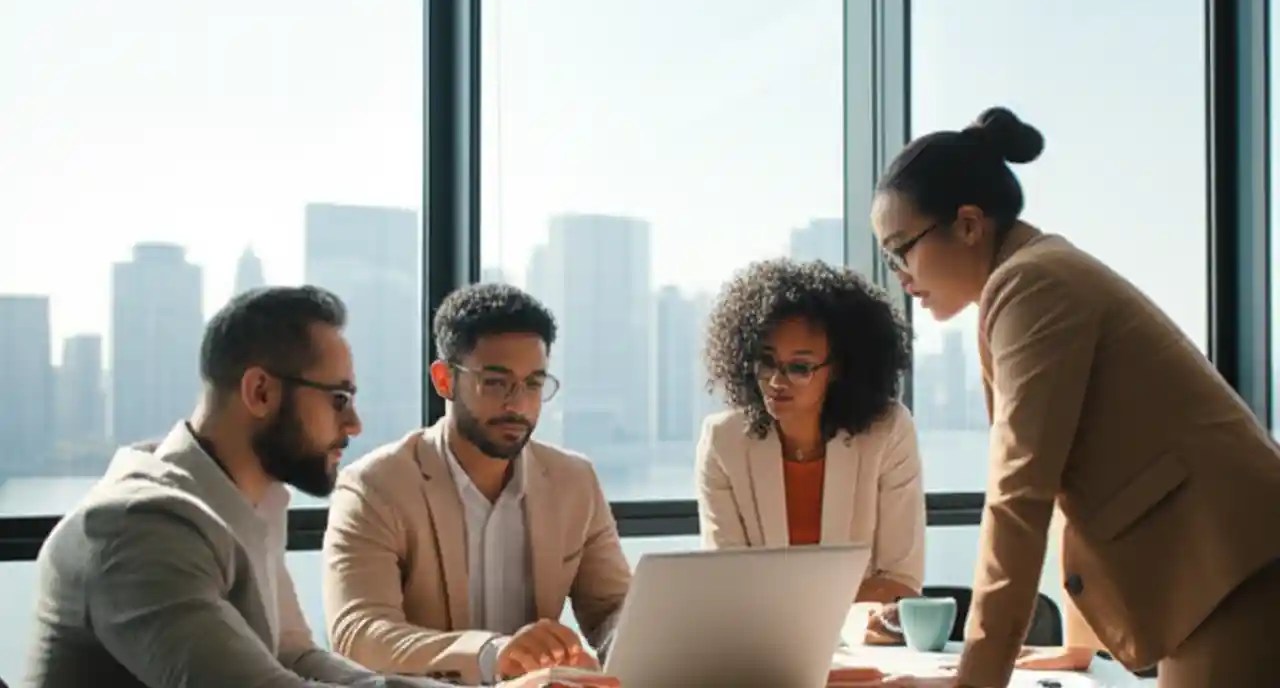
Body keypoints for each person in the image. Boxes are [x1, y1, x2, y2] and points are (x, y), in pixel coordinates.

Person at [870, 106, 1280, 687]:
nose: (900, 276)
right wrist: (1077, 646)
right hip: (1227, 566)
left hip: (1237, 571)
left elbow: (1020, 494)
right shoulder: (1039, 274)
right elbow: (1075, 481)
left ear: (967, 224)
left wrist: (976, 678)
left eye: (900, 250)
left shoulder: (1032, 285)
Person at [24, 286, 616, 688]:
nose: (354, 424)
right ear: (259, 393)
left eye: (534, 383)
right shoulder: (144, 525)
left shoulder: (242, 501)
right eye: (338, 399)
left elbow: (298, 658)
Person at [323, 283, 630, 685]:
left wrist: (630, 643)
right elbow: (358, 633)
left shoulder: (574, 482)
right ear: (444, 380)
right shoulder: (375, 487)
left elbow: (612, 608)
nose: (518, 405)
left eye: (534, 384)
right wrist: (492, 653)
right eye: (496, 382)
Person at [695, 258, 925, 640]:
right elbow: (729, 587)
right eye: (766, 362)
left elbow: (901, 582)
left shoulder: (888, 431)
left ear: (839, 368)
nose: (775, 381)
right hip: (761, 650)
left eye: (799, 368)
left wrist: (791, 609)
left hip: (863, 650)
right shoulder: (724, 441)